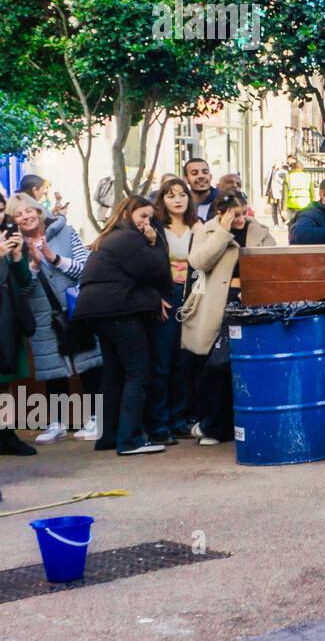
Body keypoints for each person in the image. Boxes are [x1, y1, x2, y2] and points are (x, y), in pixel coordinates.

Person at [75, 196, 174, 455]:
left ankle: (108, 436)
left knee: (113, 373)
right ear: (128, 213)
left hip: (97, 311)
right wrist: (154, 243)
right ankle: (130, 439)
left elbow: (129, 277)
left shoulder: (110, 237)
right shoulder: (130, 239)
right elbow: (158, 271)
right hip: (119, 310)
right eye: (142, 216)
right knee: (138, 371)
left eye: (151, 218)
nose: (147, 223)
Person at [180, 191, 275, 444]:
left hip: (251, 305)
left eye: (244, 213)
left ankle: (220, 426)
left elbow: (275, 264)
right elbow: (199, 262)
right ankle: (213, 425)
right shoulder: (208, 231)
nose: (242, 219)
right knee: (214, 366)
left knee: (235, 366)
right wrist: (223, 233)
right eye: (235, 215)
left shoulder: (260, 231)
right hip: (216, 307)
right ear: (221, 213)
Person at [6, 193, 103, 443]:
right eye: (18, 214)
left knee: (88, 363)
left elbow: (85, 269)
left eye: (29, 211)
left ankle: (98, 419)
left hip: (73, 308)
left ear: (39, 211)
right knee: (52, 369)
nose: (25, 217)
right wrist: (34, 266)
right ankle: (56, 423)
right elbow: (21, 289)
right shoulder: (13, 246)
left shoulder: (65, 232)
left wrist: (54, 259)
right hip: (41, 315)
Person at [153, 179, 199, 440]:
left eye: (183, 194)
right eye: (171, 195)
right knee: (163, 361)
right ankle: (161, 422)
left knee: (185, 361)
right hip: (166, 296)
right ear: (163, 200)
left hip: (193, 297)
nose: (178, 199)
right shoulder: (157, 229)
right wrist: (156, 295)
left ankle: (181, 418)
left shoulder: (197, 228)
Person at [0, 218, 37, 456]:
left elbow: (24, 282)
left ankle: (5, 434)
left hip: (7, 318)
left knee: (4, 380)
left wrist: (15, 256)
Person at [265, 163, 288, 227]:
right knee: (273, 209)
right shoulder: (270, 171)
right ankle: (276, 224)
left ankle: (285, 221)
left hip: (280, 193)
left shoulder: (283, 172)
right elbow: (266, 180)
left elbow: (283, 182)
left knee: (281, 209)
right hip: (272, 193)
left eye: (278, 162)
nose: (275, 164)